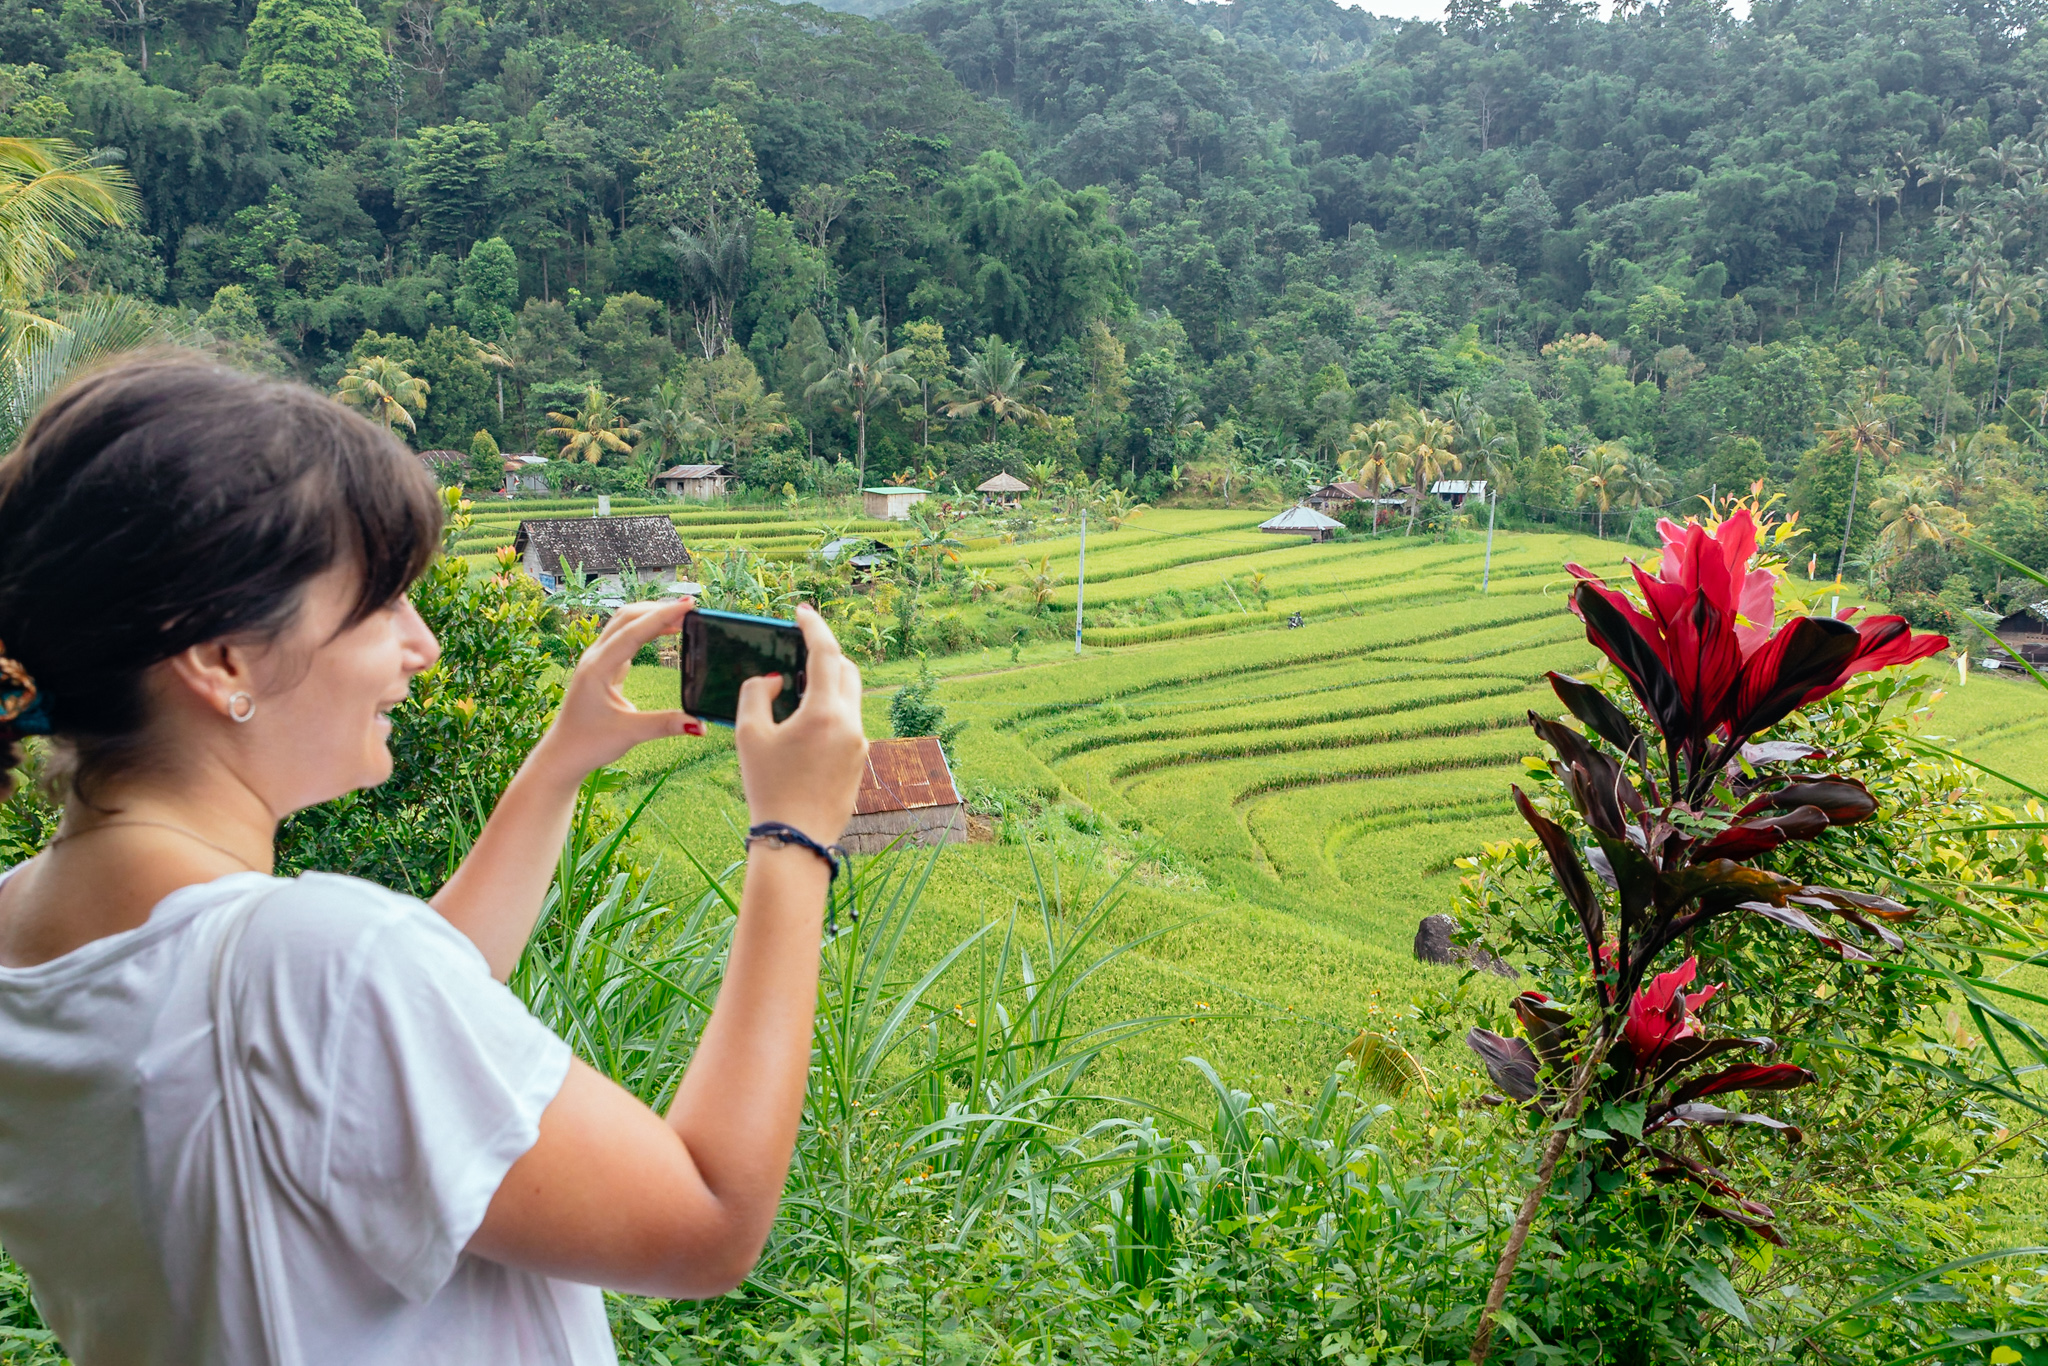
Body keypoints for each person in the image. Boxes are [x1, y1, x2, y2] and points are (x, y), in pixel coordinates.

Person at [0, 352, 870, 1363]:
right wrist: (793, 837)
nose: (423, 646)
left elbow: (382, 1024)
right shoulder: (309, 966)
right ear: (220, 656)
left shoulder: (35, 929)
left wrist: (559, 762)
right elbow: (707, 1220)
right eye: (379, 604)